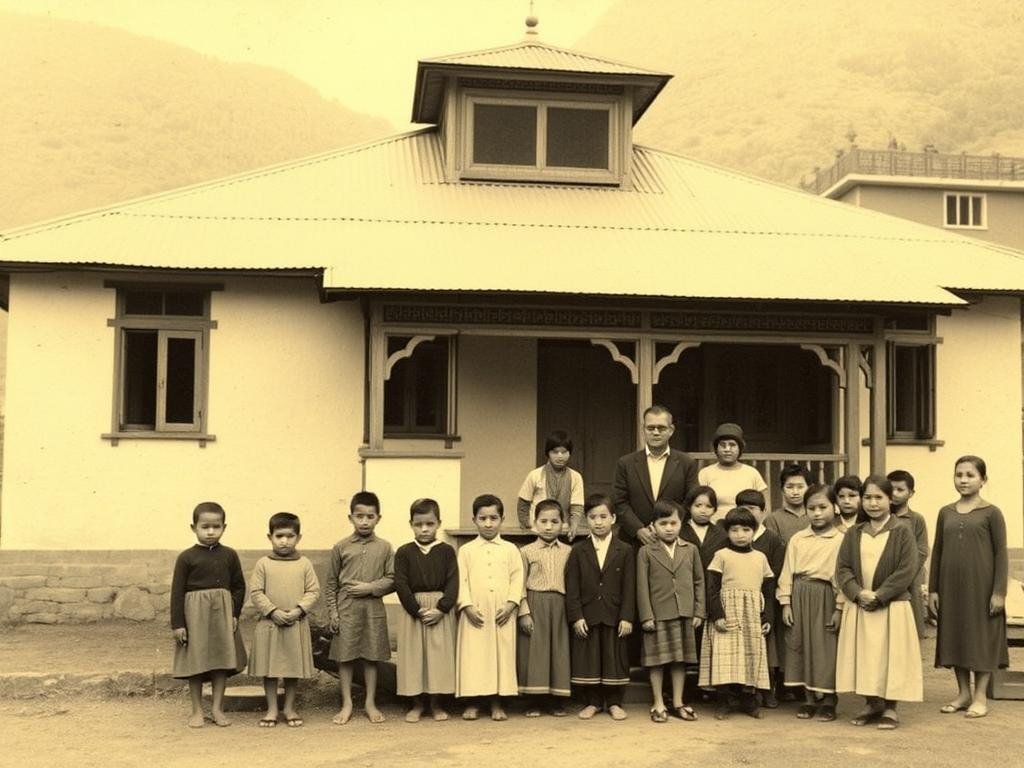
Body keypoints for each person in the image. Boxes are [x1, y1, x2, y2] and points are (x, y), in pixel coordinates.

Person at [835, 476, 922, 730]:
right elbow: (843, 568)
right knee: (867, 656)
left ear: (889, 499)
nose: (872, 503)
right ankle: (872, 703)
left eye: (878, 497)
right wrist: (858, 593)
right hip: (861, 605)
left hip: (891, 606)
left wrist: (880, 595)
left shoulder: (902, 531)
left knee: (890, 656)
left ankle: (891, 708)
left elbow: (907, 569)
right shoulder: (855, 532)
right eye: (868, 498)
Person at [929, 456, 1009, 719]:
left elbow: (1000, 554)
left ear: (983, 480)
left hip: (982, 589)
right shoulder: (946, 512)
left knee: (981, 639)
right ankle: (963, 693)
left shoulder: (992, 513)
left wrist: (999, 591)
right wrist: (933, 590)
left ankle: (980, 696)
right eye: (959, 474)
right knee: (956, 637)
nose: (963, 480)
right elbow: (938, 551)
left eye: (970, 475)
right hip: (951, 589)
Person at [170, 501, 247, 728]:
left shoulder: (230, 555)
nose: (211, 531)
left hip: (221, 616)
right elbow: (177, 592)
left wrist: (234, 613)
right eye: (205, 527)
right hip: (194, 617)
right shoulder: (186, 557)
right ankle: (196, 710)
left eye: (216, 526)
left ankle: (217, 709)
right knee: (196, 662)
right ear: (193, 527)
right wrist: (178, 624)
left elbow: (239, 586)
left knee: (220, 662)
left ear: (224, 527)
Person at [325, 491, 395, 725]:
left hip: (372, 609)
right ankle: (346, 704)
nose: (364, 521)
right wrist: (333, 613)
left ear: (378, 518)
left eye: (370, 516)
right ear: (351, 518)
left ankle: (370, 703)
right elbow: (331, 584)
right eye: (359, 516)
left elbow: (393, 579)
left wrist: (370, 587)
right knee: (345, 658)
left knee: (370, 657)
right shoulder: (340, 547)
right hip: (347, 609)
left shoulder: (385, 547)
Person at [698, 507, 773, 720]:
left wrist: (767, 616)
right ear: (728, 532)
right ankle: (724, 701)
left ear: (754, 531)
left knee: (750, 655)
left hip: (751, 615)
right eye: (734, 530)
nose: (740, 535)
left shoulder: (760, 557)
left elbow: (768, 588)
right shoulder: (721, 555)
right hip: (728, 613)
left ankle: (748, 701)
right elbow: (712, 587)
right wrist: (717, 616)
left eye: (746, 529)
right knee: (726, 657)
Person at [565, 494, 635, 721]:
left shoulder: (624, 550)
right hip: (588, 613)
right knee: (589, 658)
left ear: (613, 518)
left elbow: (629, 586)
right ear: (586, 520)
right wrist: (576, 616)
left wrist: (627, 616)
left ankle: (614, 702)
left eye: (603, 516)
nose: (598, 522)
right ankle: (592, 702)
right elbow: (572, 585)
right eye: (593, 517)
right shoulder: (578, 550)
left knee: (614, 657)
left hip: (615, 614)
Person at [777, 486, 844, 722]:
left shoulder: (840, 540)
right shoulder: (798, 538)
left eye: (822, 507)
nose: (817, 513)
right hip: (799, 593)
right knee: (800, 644)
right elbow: (787, 572)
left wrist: (839, 607)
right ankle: (808, 698)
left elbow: (841, 576)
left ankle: (828, 699)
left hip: (825, 595)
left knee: (825, 647)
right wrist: (786, 602)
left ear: (835, 508)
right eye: (811, 508)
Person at [248, 512, 320, 728]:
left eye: (290, 536)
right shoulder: (263, 564)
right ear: (270, 537)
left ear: (298, 537)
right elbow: (256, 592)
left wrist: (299, 610)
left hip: (294, 622)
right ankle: (271, 708)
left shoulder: (304, 563)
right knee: (269, 668)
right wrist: (272, 611)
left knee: (291, 667)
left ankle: (289, 707)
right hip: (271, 624)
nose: (284, 541)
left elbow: (313, 591)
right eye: (279, 536)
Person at [456, 494, 524, 722]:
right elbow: (460, 581)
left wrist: (511, 604)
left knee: (500, 656)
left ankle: (497, 702)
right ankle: (473, 702)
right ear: (474, 519)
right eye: (483, 518)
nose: (488, 524)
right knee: (475, 656)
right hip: (475, 612)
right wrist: (466, 606)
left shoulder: (510, 549)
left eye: (493, 518)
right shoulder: (466, 550)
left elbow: (517, 578)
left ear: (502, 519)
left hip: (501, 612)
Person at [637, 500, 705, 723]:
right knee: (657, 660)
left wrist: (698, 611)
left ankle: (677, 701)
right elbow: (642, 586)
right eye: (663, 523)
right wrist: (646, 615)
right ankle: (657, 702)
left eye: (673, 523)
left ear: (681, 524)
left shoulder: (690, 549)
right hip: (658, 615)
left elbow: (698, 581)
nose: (668, 528)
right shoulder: (646, 552)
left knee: (679, 660)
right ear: (653, 526)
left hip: (684, 612)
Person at [393, 498, 458, 723]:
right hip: (415, 612)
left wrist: (441, 609)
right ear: (411, 524)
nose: (424, 529)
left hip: (439, 610)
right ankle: (417, 704)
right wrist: (417, 610)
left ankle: (436, 703)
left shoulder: (447, 551)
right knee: (415, 658)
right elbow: (400, 584)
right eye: (419, 524)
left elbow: (453, 583)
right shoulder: (403, 552)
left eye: (429, 524)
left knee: (438, 658)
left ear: (438, 523)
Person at [517, 499, 573, 717]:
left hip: (559, 604)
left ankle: (554, 701)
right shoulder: (526, 552)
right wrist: (524, 612)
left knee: (557, 651)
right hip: (535, 602)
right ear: (535, 523)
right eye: (544, 521)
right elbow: (520, 583)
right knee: (535, 652)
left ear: (563, 524)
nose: (549, 526)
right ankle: (533, 701)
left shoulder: (568, 551)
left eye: (554, 521)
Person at [613, 405, 698, 547]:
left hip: (674, 540)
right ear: (643, 430)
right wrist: (638, 530)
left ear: (671, 430)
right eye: (650, 428)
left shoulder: (686, 463)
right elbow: (619, 502)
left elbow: (690, 500)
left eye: (661, 428)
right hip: (634, 542)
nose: (656, 432)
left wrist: (668, 527)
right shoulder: (625, 463)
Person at [736, 487, 786, 708]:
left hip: (765, 598)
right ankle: (744, 692)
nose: (747, 512)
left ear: (763, 512)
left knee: (767, 647)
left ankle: (768, 689)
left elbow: (774, 574)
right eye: (741, 508)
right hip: (738, 599)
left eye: (752, 508)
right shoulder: (733, 535)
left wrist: (767, 606)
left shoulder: (772, 539)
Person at [679, 485, 728, 702]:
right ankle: (682, 691)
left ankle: (707, 689)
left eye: (709, 506)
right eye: (698, 505)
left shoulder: (721, 533)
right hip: (684, 591)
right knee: (685, 641)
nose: (703, 510)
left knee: (707, 642)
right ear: (689, 507)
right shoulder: (679, 530)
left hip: (711, 591)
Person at [517, 430, 584, 539]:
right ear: (548, 453)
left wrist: (574, 526)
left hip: (564, 529)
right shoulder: (535, 475)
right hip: (537, 530)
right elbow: (523, 504)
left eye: (564, 452)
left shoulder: (576, 477)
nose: (560, 456)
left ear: (569, 453)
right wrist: (527, 527)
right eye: (555, 452)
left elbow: (577, 507)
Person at [887, 470, 929, 638]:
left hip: (908, 580)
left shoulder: (916, 519)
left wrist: (903, 571)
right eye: (890, 489)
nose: (894, 494)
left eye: (900, 489)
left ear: (911, 493)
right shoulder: (881, 517)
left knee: (909, 631)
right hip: (883, 578)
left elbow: (922, 551)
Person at [697, 423, 768, 523]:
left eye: (732, 445)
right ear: (716, 449)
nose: (727, 449)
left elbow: (765, 506)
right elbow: (699, 505)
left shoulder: (751, 473)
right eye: (722, 445)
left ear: (740, 448)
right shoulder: (705, 473)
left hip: (746, 529)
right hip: (715, 529)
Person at [764, 464, 813, 545]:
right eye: (789, 487)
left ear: (809, 488)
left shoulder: (816, 515)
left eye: (800, 487)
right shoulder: (773, 519)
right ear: (782, 490)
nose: (795, 492)